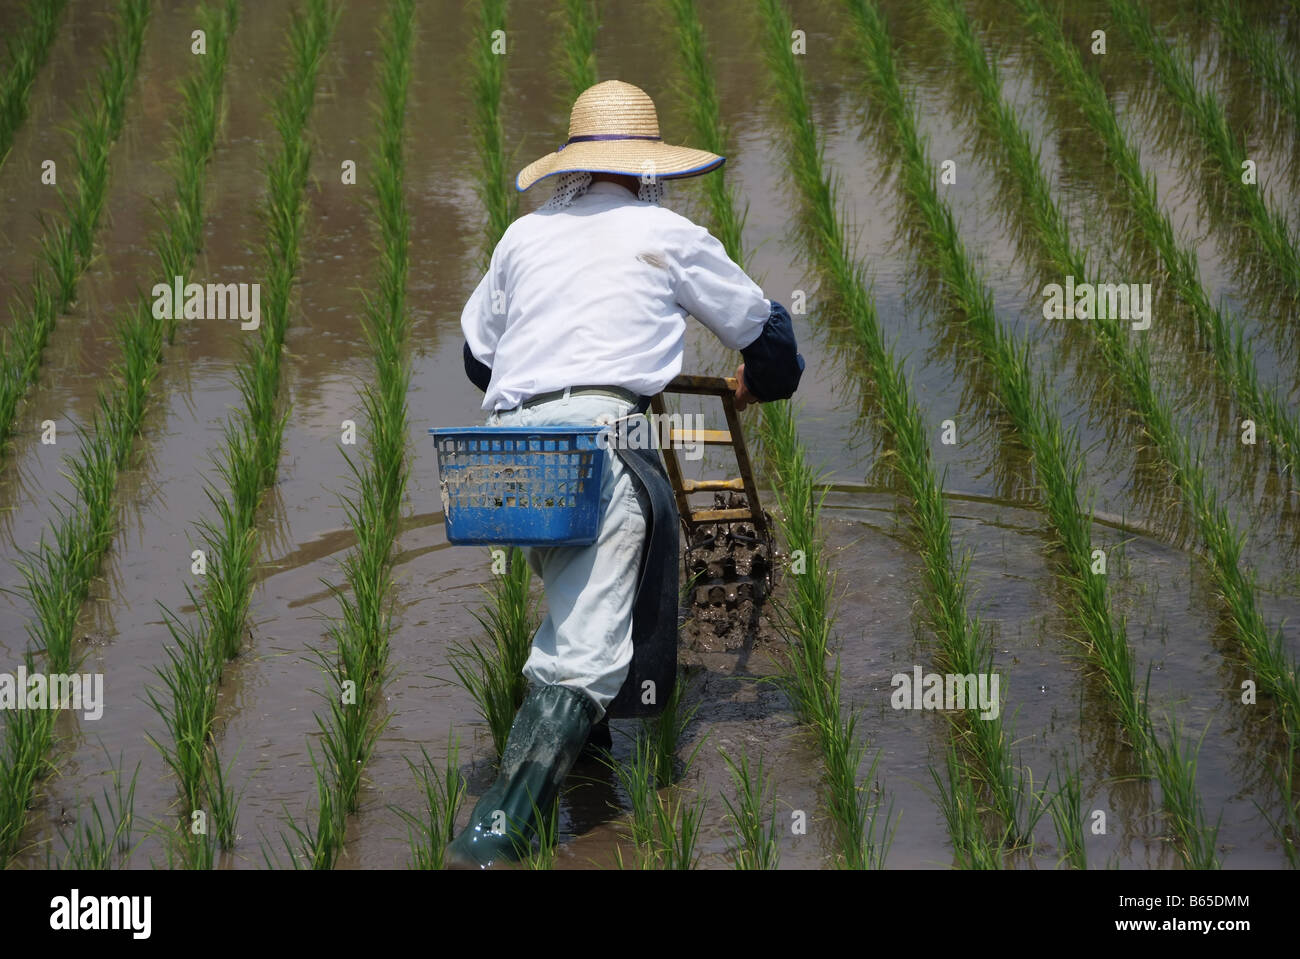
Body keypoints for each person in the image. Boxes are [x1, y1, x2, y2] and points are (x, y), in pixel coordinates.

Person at [445, 79, 804, 868]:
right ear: (649, 170)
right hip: (601, 444)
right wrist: (756, 381)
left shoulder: (522, 236)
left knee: (580, 604)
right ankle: (491, 839)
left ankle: (589, 773)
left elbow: (478, 354)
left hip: (508, 455)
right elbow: (769, 342)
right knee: (583, 658)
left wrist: (544, 391)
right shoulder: (665, 233)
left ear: (570, 167)